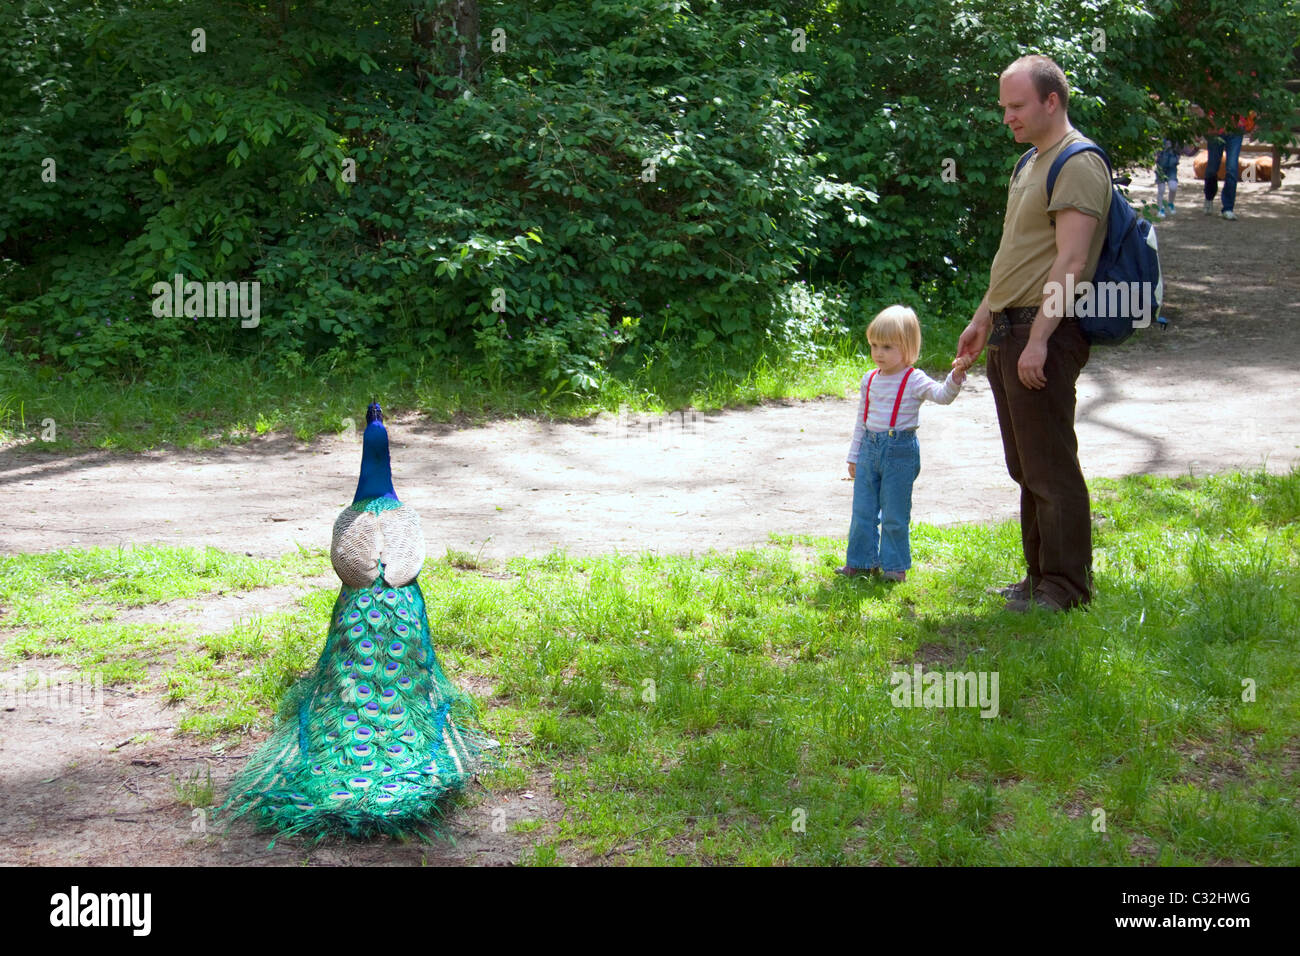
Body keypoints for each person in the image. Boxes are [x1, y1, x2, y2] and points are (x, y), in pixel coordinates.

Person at [955, 55, 1111, 612]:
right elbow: (1015, 256)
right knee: (1026, 464)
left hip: (1043, 330)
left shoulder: (1078, 163)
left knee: (1050, 464)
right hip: (1008, 328)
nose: (1007, 118)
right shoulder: (1030, 162)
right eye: (1004, 107)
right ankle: (1039, 578)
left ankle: (1066, 589)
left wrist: (1041, 338)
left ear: (1052, 101)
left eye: (1016, 106)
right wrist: (982, 319)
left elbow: (1070, 261)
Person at [837, 305, 966, 583]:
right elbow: (862, 420)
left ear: (907, 348)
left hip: (900, 453)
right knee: (862, 510)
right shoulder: (869, 379)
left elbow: (942, 396)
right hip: (869, 450)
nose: (878, 353)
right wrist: (854, 456)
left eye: (887, 347)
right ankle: (860, 562)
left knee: (895, 513)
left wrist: (955, 378)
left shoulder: (914, 379)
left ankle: (894, 567)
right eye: (873, 345)